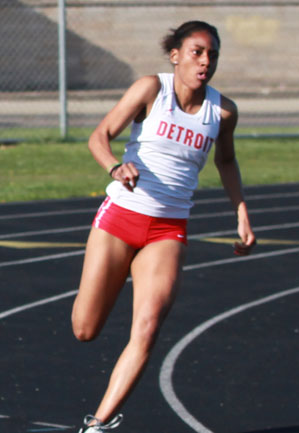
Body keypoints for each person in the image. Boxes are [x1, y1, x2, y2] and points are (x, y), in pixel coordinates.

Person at [70, 21, 256, 432]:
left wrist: (240, 210)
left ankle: (97, 425)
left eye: (212, 55)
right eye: (197, 52)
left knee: (148, 327)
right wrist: (115, 167)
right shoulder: (151, 89)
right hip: (120, 218)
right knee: (85, 329)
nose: (205, 62)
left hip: (168, 231)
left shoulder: (222, 112)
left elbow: (226, 161)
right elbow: (100, 135)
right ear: (175, 55)